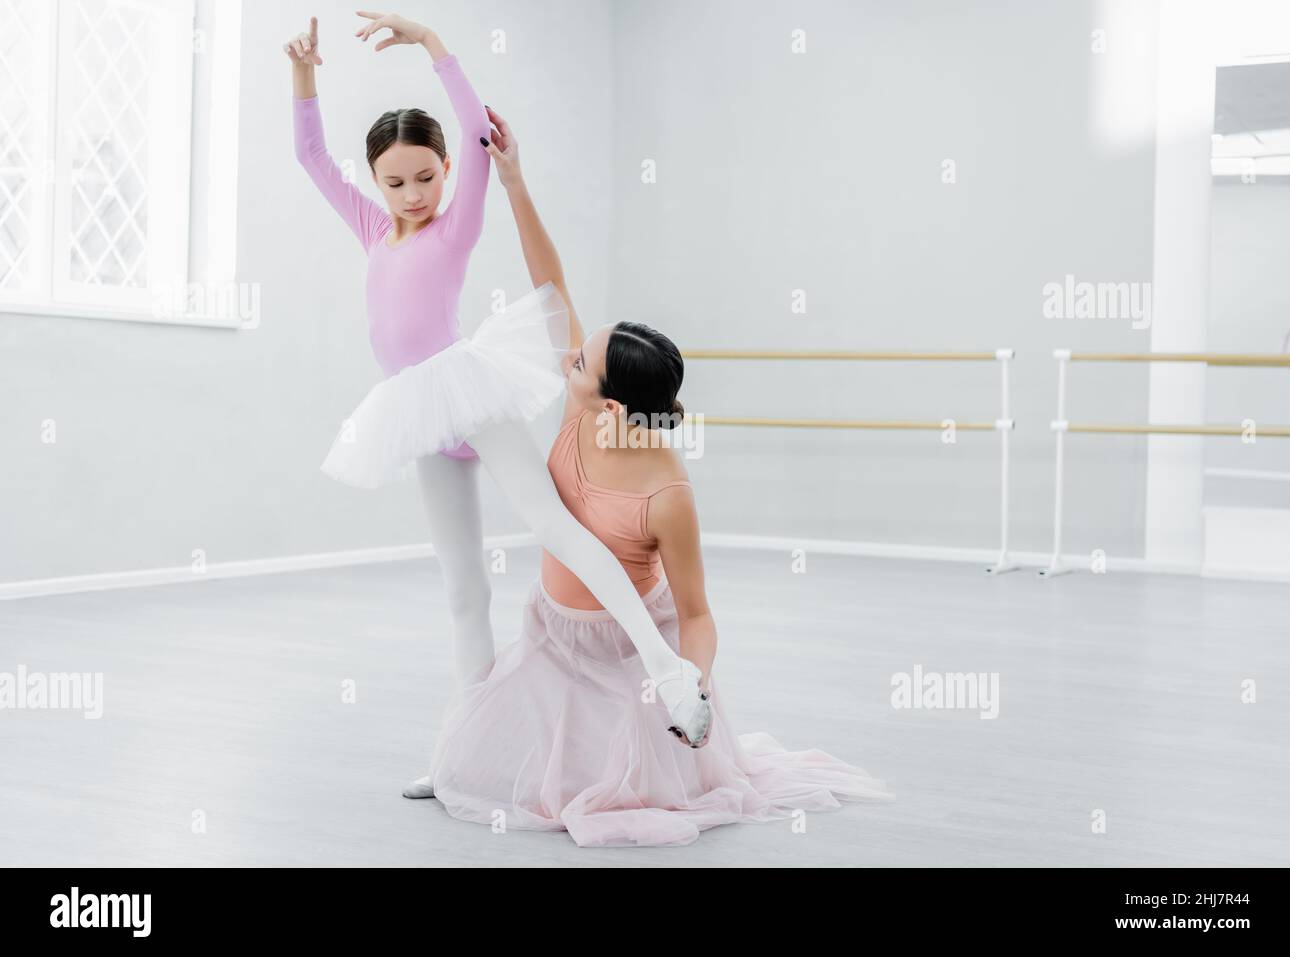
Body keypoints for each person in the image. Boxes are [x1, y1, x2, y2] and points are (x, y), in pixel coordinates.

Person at [401, 105, 895, 847]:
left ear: (607, 399)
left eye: (578, 360)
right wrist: (513, 181)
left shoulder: (666, 493)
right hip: (551, 639)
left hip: (627, 653)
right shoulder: (581, 403)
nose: (565, 356)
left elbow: (696, 614)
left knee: (622, 791)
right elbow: (551, 282)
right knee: (480, 770)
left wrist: (685, 681)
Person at [283, 13, 712, 776]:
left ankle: (668, 668)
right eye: (395, 181)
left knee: (552, 525)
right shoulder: (371, 228)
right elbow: (310, 156)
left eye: (425, 176)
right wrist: (304, 76)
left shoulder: (456, 224)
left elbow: (480, 128)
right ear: (376, 181)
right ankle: (463, 755)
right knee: (463, 585)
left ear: (448, 169)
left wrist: (432, 45)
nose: (412, 192)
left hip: (468, 393)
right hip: (416, 414)